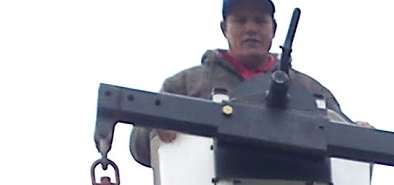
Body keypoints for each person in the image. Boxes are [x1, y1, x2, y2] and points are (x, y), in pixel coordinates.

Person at [130, 0, 349, 167]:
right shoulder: (186, 85)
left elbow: (350, 149)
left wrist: (358, 129)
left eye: (259, 20)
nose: (251, 29)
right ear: (224, 28)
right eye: (241, 21)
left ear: (273, 28)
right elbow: (139, 147)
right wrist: (157, 129)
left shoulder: (310, 89)